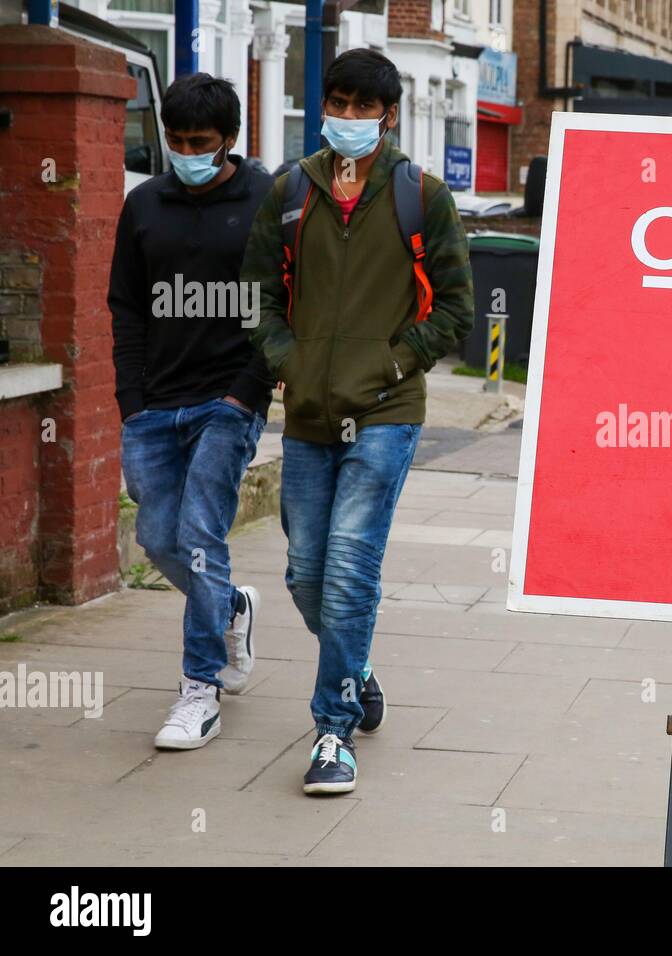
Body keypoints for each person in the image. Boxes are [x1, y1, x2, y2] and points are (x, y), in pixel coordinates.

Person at [242, 49, 474, 795]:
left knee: (346, 570)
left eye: (360, 108)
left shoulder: (420, 195)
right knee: (305, 570)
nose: (346, 119)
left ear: (388, 115)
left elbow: (457, 310)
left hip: (386, 411)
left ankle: (332, 731)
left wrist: (392, 366)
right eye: (336, 104)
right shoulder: (288, 192)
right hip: (308, 413)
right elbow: (256, 299)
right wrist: (289, 361)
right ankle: (358, 665)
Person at [109, 74, 274, 749]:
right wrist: (131, 397)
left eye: (198, 142)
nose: (185, 151)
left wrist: (248, 390)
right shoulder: (144, 203)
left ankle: (199, 688)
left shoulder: (266, 200)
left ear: (228, 140)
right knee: (158, 539)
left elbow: (285, 300)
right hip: (154, 403)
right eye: (174, 141)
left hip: (227, 401)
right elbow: (126, 303)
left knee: (201, 534)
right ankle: (231, 606)